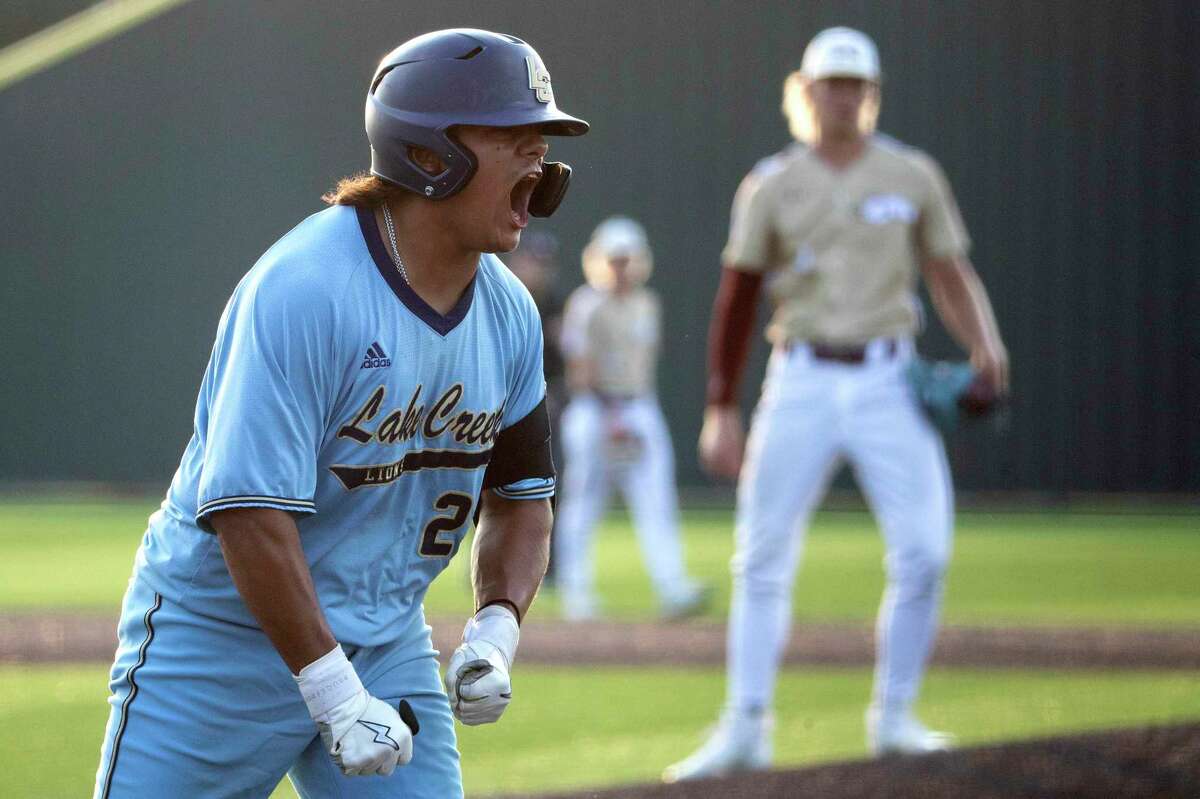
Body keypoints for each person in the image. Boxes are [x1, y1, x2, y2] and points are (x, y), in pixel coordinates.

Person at [92, 28, 587, 799]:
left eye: (542, 137)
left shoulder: (511, 315)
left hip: (385, 636)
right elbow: (248, 514)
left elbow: (523, 500)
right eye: (511, 133)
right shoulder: (304, 287)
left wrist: (496, 626)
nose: (538, 156)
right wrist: (331, 692)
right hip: (219, 638)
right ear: (429, 154)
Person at [663, 26, 1009, 781]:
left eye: (855, 85)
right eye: (831, 84)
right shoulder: (773, 182)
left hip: (891, 373)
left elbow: (950, 272)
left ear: (872, 94)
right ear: (805, 91)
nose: (843, 97)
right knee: (760, 555)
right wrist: (720, 404)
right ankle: (746, 724)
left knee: (924, 550)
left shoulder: (912, 174)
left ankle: (894, 715)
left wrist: (987, 344)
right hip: (803, 375)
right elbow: (738, 297)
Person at [553, 217, 708, 621]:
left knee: (656, 498)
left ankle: (672, 586)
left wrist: (631, 414)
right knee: (585, 501)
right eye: (614, 259)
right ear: (599, 261)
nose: (621, 268)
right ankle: (576, 591)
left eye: (627, 259)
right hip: (596, 409)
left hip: (640, 406)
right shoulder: (587, 305)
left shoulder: (646, 303)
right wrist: (613, 416)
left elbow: (642, 365)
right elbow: (580, 367)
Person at [503, 232, 568, 584]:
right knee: (487, 486)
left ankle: (549, 564)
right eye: (533, 260)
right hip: (502, 402)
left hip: (547, 401)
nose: (539, 269)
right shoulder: (503, 296)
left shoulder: (556, 303)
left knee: (547, 484)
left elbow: (562, 360)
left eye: (545, 263)